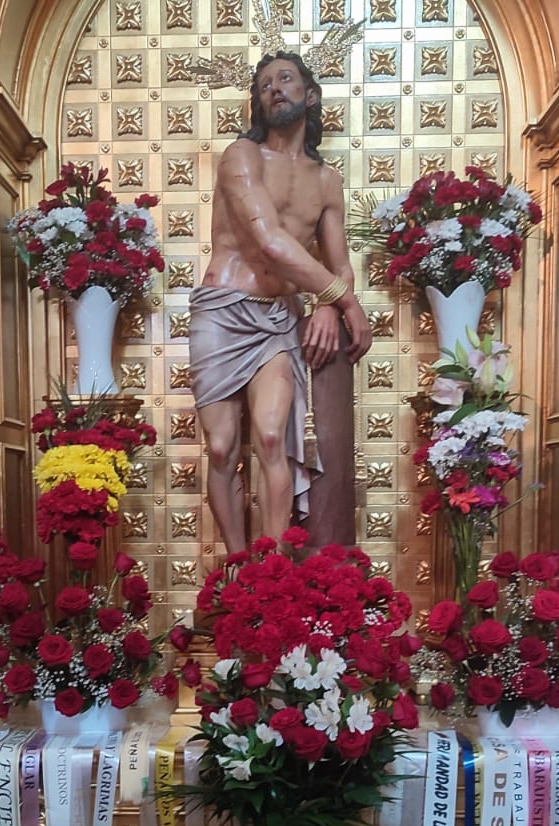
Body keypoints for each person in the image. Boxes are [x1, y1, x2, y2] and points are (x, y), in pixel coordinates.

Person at [189, 51, 372, 555]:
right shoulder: (241, 157)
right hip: (222, 310)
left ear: (309, 95)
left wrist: (332, 306)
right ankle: (235, 561)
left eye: (286, 79)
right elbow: (268, 240)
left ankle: (270, 573)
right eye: (265, 83)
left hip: (276, 321)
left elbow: (339, 262)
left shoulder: (326, 179)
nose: (275, 88)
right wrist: (343, 301)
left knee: (273, 440)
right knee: (223, 448)